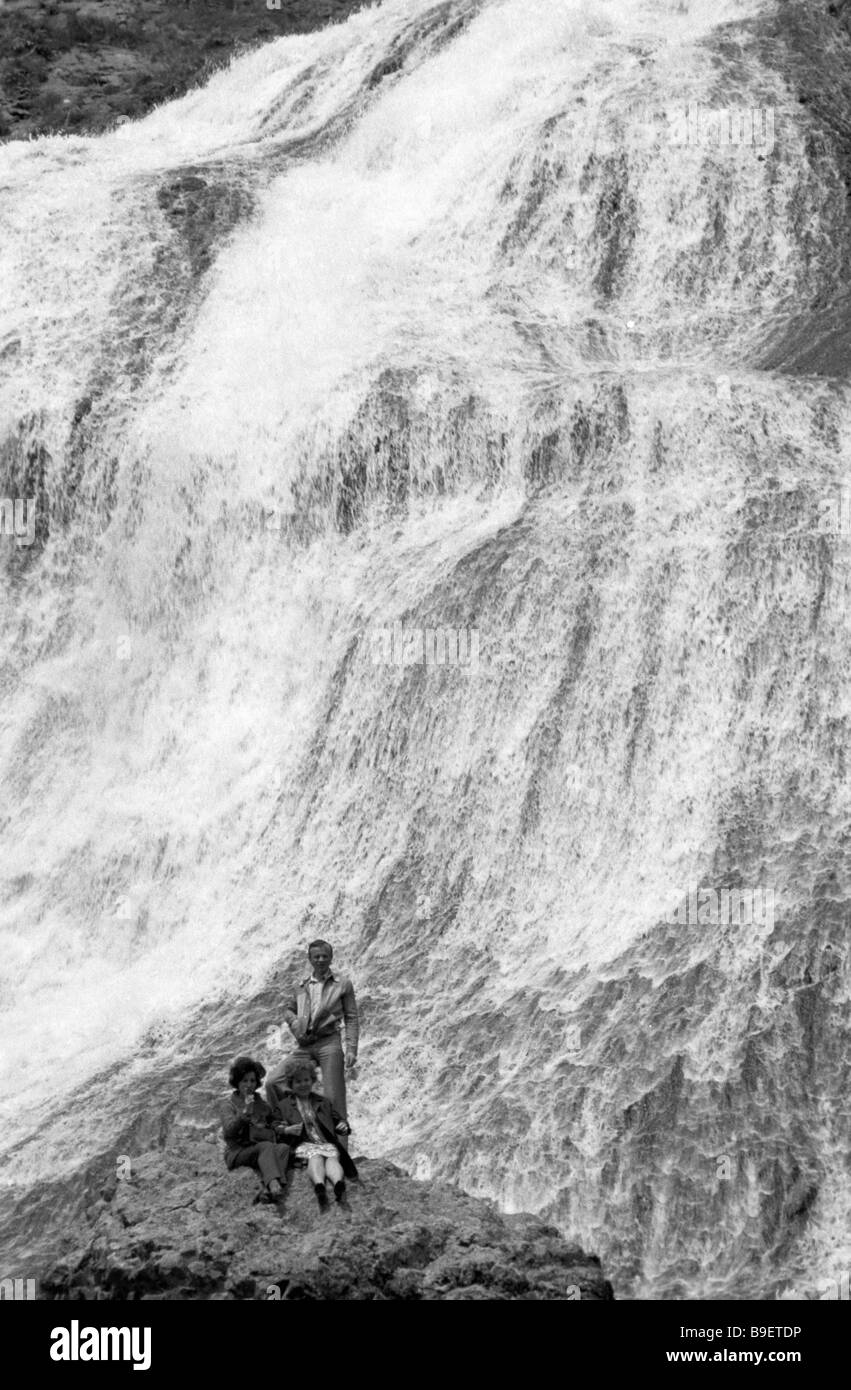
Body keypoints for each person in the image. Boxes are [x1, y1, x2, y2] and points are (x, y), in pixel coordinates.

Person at [265, 940, 359, 1130]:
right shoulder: (301, 986)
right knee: (273, 1081)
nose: (321, 959)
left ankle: (340, 1152)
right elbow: (288, 1010)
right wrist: (295, 1025)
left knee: (334, 1099)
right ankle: (289, 1125)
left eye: (325, 956)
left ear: (331, 958)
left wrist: (351, 1049)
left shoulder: (343, 984)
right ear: (310, 959)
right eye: (316, 956)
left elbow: (351, 1018)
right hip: (305, 1045)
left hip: (329, 1043)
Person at [270, 1056, 358, 1209]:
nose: (303, 1084)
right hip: (301, 1145)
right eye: (298, 1081)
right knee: (315, 1156)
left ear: (312, 1080)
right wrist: (286, 1130)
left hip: (325, 1144)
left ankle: (338, 1184)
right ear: (291, 1084)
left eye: (306, 1080)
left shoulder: (323, 1102)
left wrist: (343, 1126)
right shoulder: (283, 1106)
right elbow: (274, 1126)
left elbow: (338, 1121)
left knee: (332, 1157)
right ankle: (319, 1186)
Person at [220, 1055, 290, 1202]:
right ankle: (273, 1183)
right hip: (237, 1151)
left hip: (259, 1148)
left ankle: (267, 1190)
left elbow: (273, 1122)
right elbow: (229, 1131)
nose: (249, 1085)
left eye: (252, 1081)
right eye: (245, 1081)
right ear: (237, 1083)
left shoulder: (261, 1104)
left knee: (283, 1148)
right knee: (265, 1147)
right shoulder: (228, 1105)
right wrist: (243, 1115)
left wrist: (283, 1127)